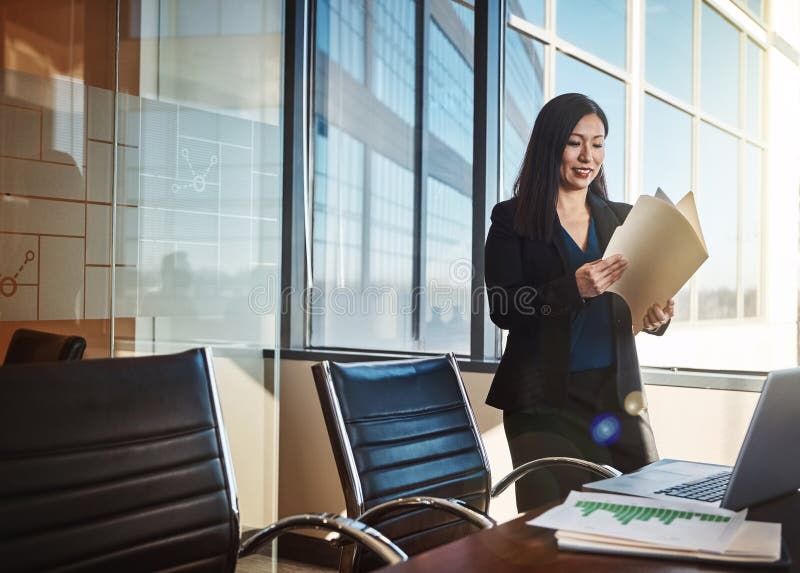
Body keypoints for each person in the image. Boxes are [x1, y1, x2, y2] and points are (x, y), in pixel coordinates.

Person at [484, 93, 674, 512]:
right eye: (575, 142)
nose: (588, 155)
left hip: (616, 396)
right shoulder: (511, 220)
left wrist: (657, 316)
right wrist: (572, 289)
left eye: (598, 142)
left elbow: (638, 301)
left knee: (647, 510)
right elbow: (503, 308)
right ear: (552, 146)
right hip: (542, 404)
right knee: (553, 528)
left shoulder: (623, 219)